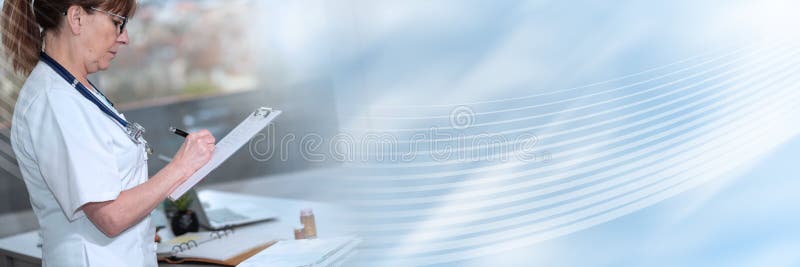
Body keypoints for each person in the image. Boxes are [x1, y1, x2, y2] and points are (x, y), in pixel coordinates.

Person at [1, 1, 216, 266]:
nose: (124, 37)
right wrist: (181, 167)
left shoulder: (75, 91)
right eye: (118, 23)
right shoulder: (55, 101)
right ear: (77, 18)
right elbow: (110, 217)